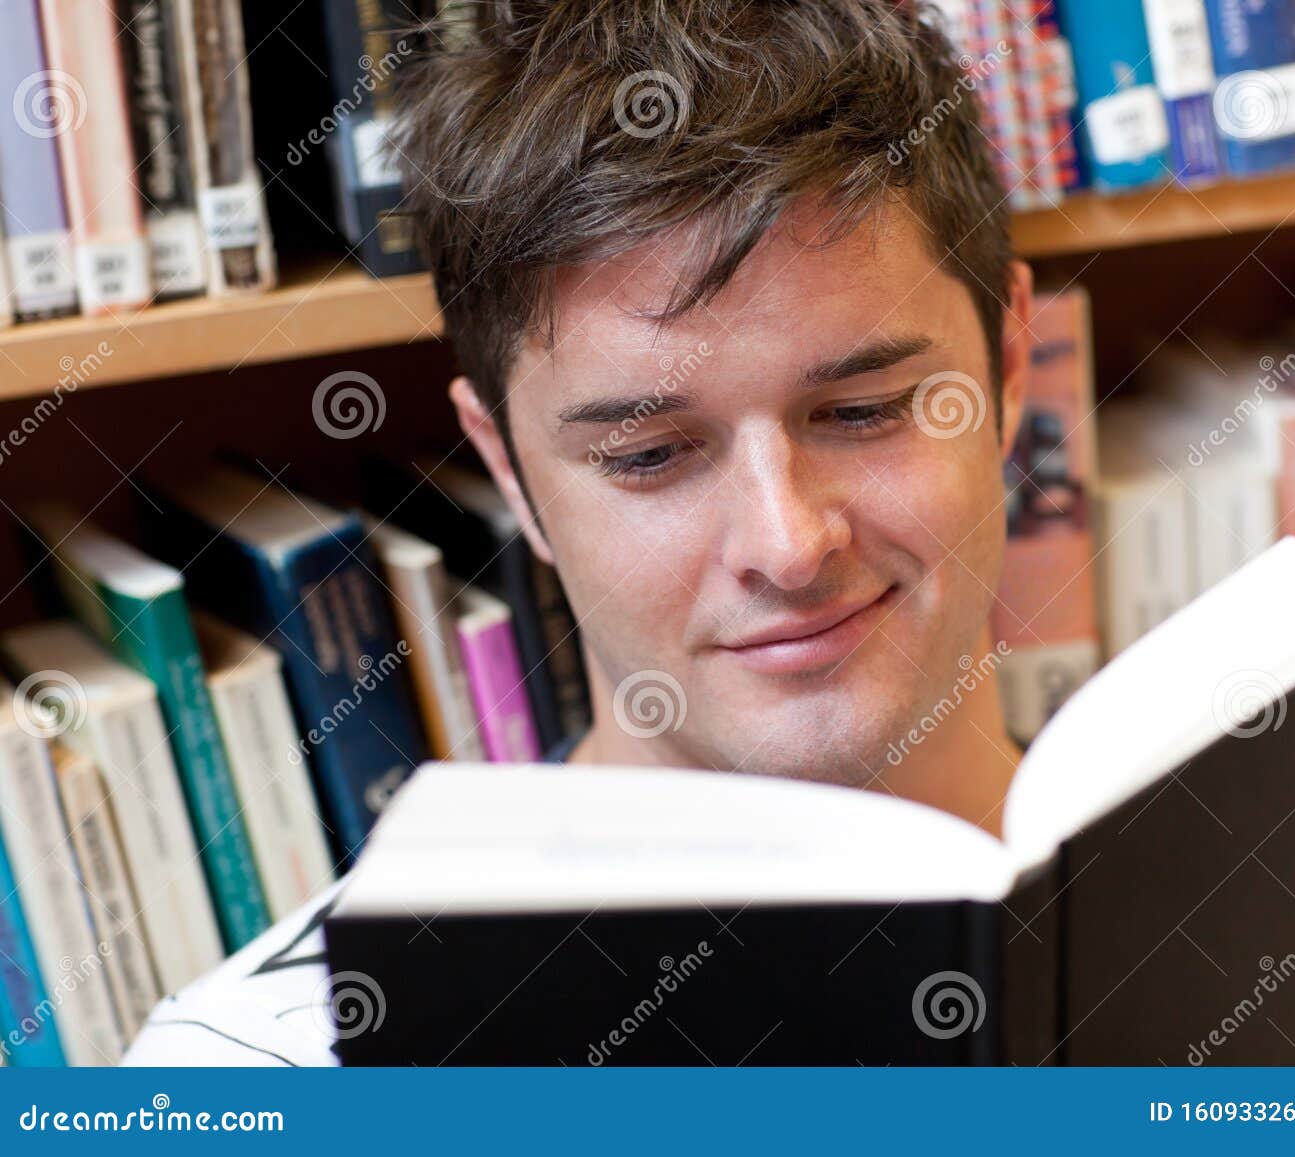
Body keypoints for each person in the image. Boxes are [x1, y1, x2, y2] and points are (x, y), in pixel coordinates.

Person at [124, 0, 1041, 1065]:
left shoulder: (1262, 883)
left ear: (1010, 368)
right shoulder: (260, 1070)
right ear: (508, 469)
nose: (788, 543)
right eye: (647, 454)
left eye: (862, 409)